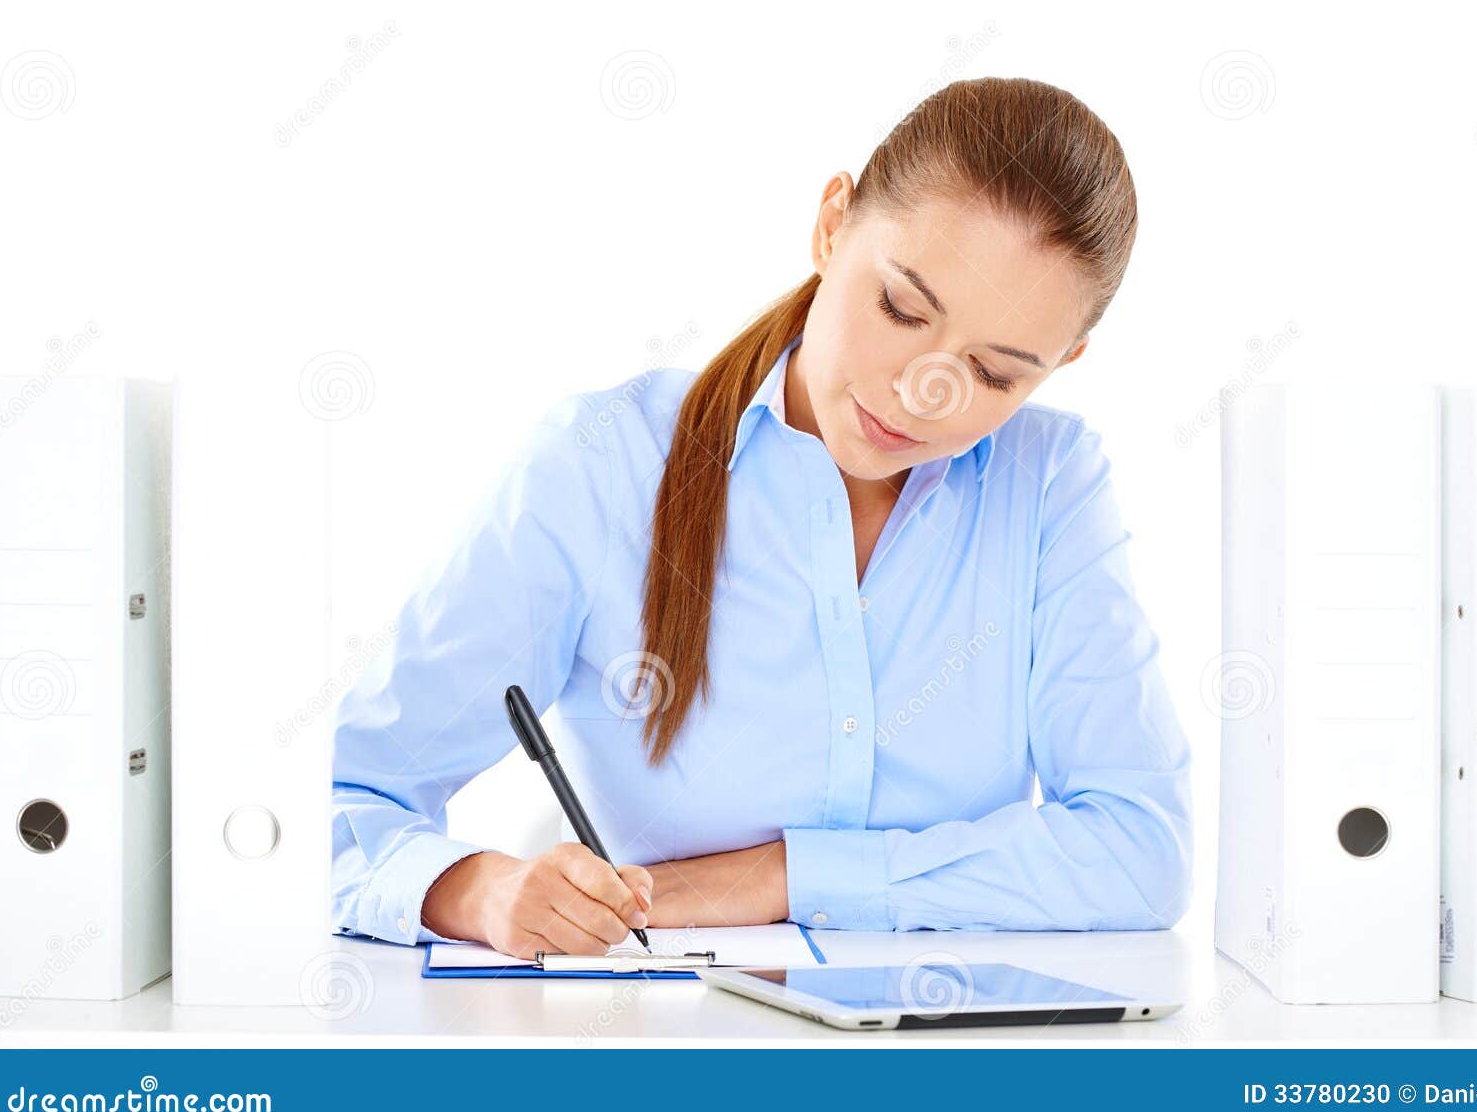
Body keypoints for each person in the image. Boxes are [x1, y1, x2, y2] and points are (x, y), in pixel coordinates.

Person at [331, 76, 1193, 960]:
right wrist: (479, 892)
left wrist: (780, 877)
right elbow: (348, 801)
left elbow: (1140, 852)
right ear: (832, 224)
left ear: (1064, 359)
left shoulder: (1046, 483)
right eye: (901, 310)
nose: (921, 392)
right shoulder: (602, 465)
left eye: (994, 372)